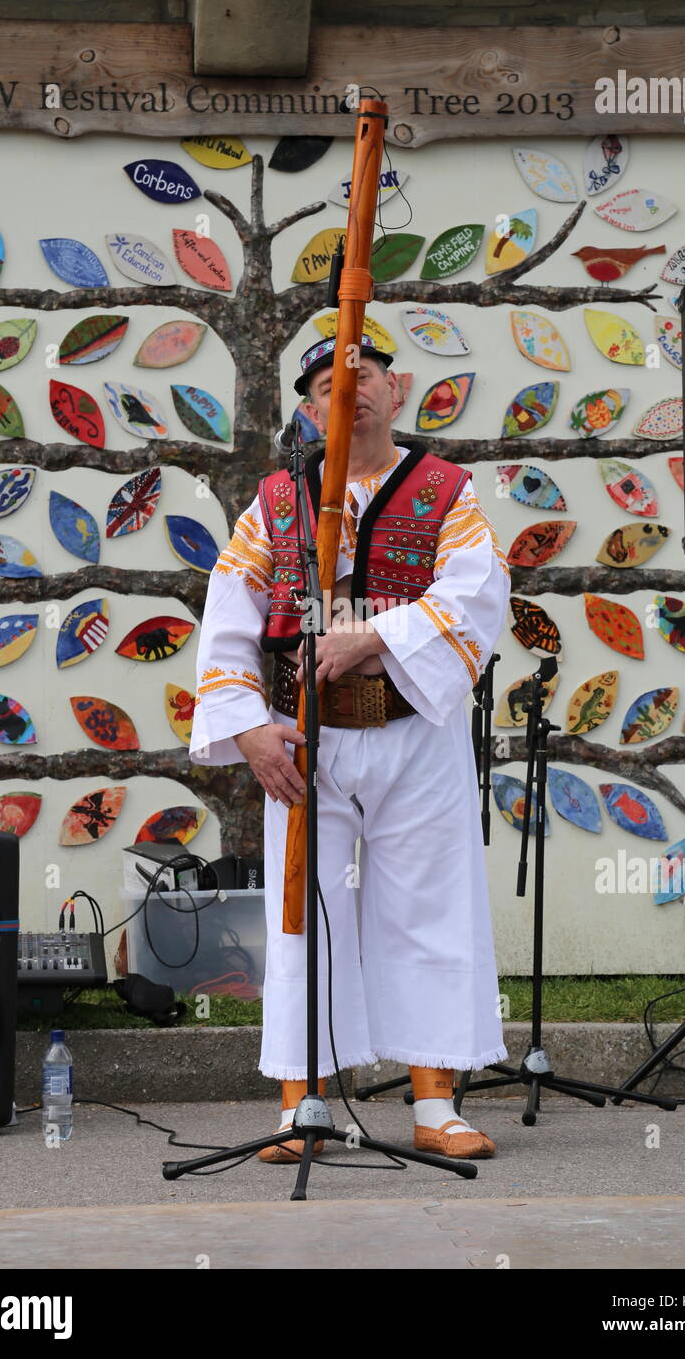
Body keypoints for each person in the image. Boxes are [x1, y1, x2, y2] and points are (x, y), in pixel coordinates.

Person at [190, 334, 511, 1161]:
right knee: (301, 917)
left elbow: (476, 593)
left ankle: (436, 1103)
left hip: (415, 732)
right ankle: (304, 1104)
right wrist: (250, 727)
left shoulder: (448, 490)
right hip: (309, 739)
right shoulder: (274, 501)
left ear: (396, 390)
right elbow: (229, 609)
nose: (349, 392)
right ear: (307, 405)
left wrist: (370, 634)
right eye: (329, 383)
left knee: (431, 909)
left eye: (363, 376)